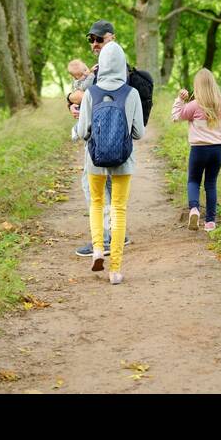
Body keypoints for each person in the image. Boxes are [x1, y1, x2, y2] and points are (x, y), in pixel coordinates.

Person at [75, 40, 143, 284]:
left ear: (101, 65)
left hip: (95, 161)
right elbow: (138, 133)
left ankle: (96, 249)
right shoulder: (131, 93)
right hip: (124, 162)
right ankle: (115, 270)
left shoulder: (91, 93)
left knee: (96, 203)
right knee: (119, 210)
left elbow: (83, 131)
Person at [71, 21, 132, 257]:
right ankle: (116, 234)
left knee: (92, 186)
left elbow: (90, 96)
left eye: (100, 39)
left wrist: (74, 99)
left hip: (100, 139)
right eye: (91, 40)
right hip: (115, 138)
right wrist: (73, 102)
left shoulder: (110, 67)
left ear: (112, 38)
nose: (95, 44)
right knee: (107, 186)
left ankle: (105, 239)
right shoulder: (108, 66)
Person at [171, 68, 221, 232]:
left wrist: (179, 100)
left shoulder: (194, 106)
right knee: (211, 184)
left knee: (193, 181)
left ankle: (194, 209)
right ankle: (210, 222)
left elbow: (175, 117)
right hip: (217, 151)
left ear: (197, 87)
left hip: (198, 150)